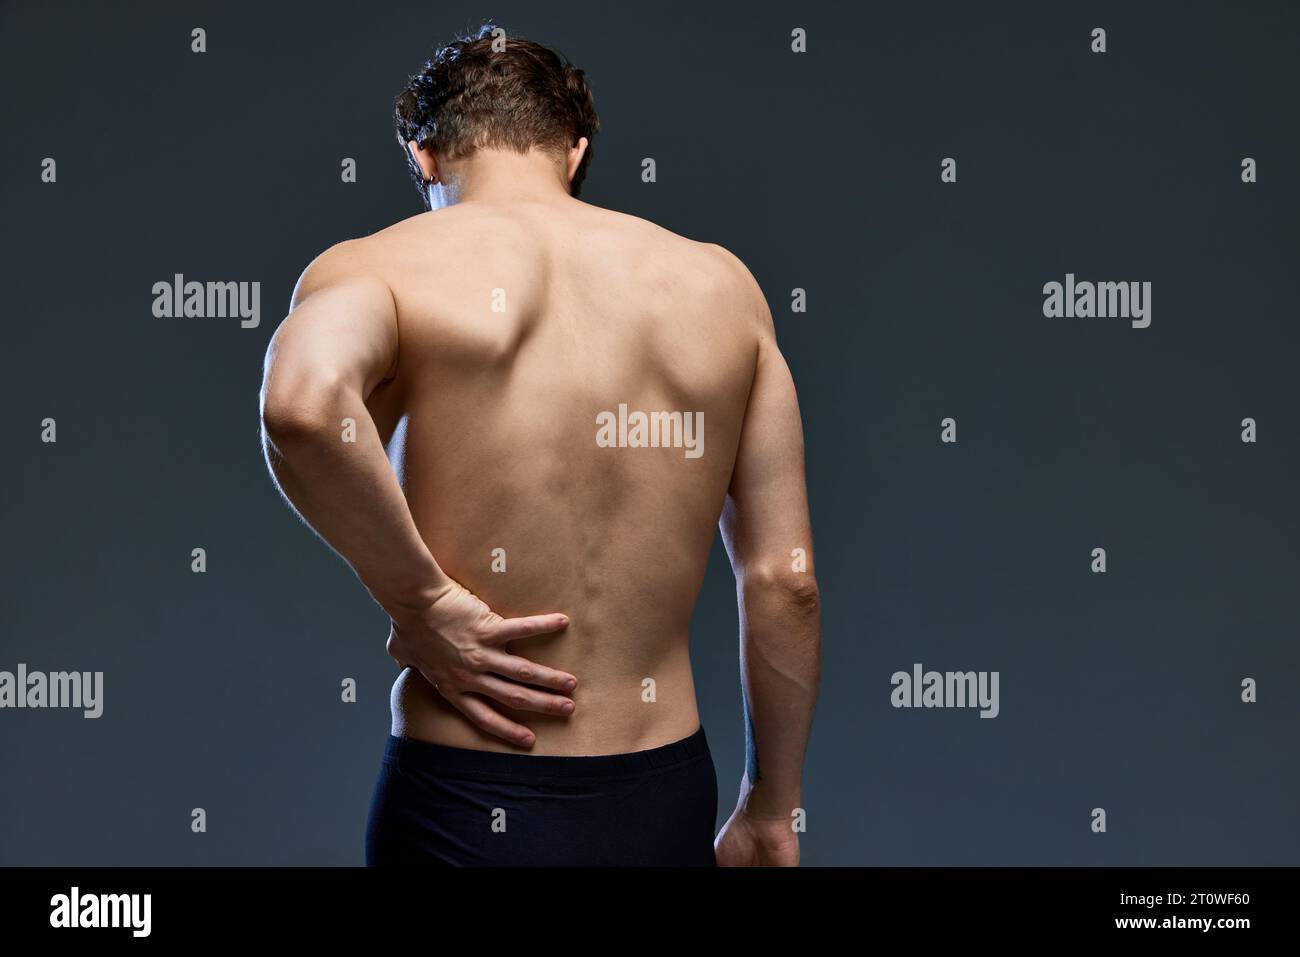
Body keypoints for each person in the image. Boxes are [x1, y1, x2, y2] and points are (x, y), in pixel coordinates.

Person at [258, 24, 821, 866]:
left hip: (463, 798)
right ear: (574, 149)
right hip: (658, 796)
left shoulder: (381, 268)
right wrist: (771, 810)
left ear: (426, 156)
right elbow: (787, 582)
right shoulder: (724, 289)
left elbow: (301, 407)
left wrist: (420, 601)